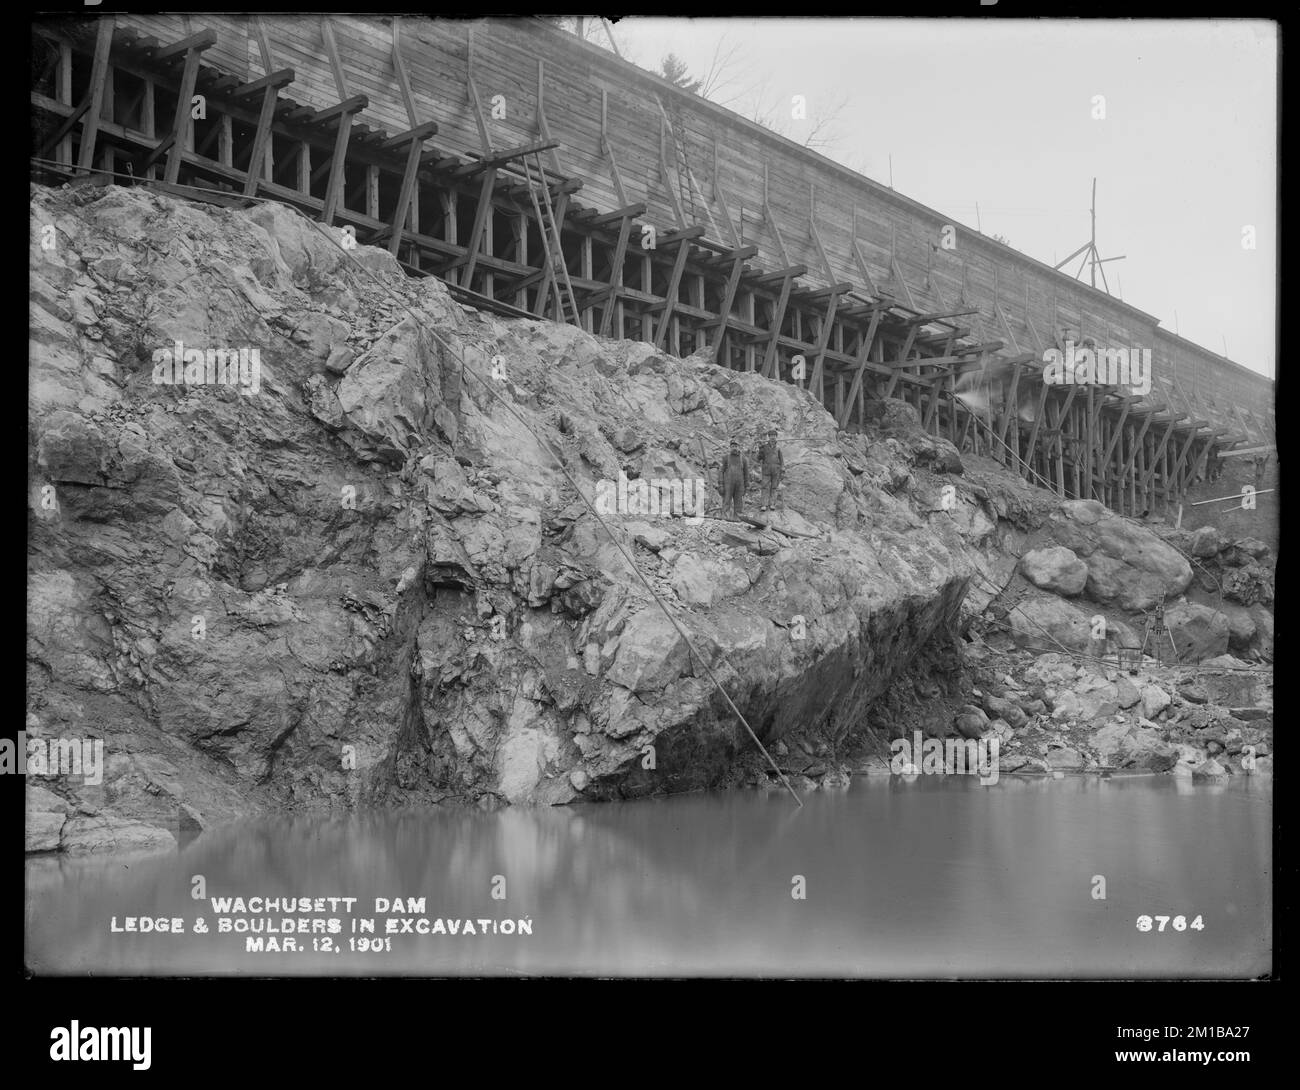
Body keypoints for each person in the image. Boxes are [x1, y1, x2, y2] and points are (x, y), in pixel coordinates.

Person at [718, 438, 749, 521]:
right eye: (732, 446)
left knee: (739, 503)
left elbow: (746, 474)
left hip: (740, 485)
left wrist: (746, 486)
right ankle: (725, 519)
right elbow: (721, 471)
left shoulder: (743, 459)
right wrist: (721, 484)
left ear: (739, 447)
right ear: (730, 447)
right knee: (726, 501)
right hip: (728, 484)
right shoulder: (725, 458)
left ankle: (737, 519)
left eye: (736, 446)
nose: (734, 448)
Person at [757, 428, 783, 511]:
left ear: (776, 437)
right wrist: (760, 448)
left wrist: (782, 467)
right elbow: (759, 458)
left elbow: (781, 459)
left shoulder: (778, 448)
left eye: (774, 436)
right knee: (765, 487)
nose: (772, 437)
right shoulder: (764, 447)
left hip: (776, 470)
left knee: (774, 487)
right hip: (766, 470)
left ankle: (772, 504)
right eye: (771, 436)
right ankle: (764, 504)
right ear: (768, 437)